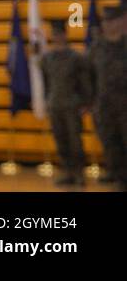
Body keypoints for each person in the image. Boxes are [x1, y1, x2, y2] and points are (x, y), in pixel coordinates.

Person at [41, 19, 91, 186]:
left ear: (65, 35)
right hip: (55, 104)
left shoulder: (76, 57)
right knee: (60, 140)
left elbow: (84, 82)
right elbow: (46, 82)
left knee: (75, 141)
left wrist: (85, 102)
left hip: (72, 104)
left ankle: (79, 174)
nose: (57, 37)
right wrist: (46, 101)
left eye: (60, 34)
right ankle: (68, 172)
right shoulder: (47, 58)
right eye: (54, 34)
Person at [88, 4, 127, 190]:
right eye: (105, 20)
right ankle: (120, 178)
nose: (106, 24)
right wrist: (89, 101)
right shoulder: (97, 46)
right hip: (104, 106)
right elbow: (87, 75)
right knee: (111, 144)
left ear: (122, 20)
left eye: (111, 20)